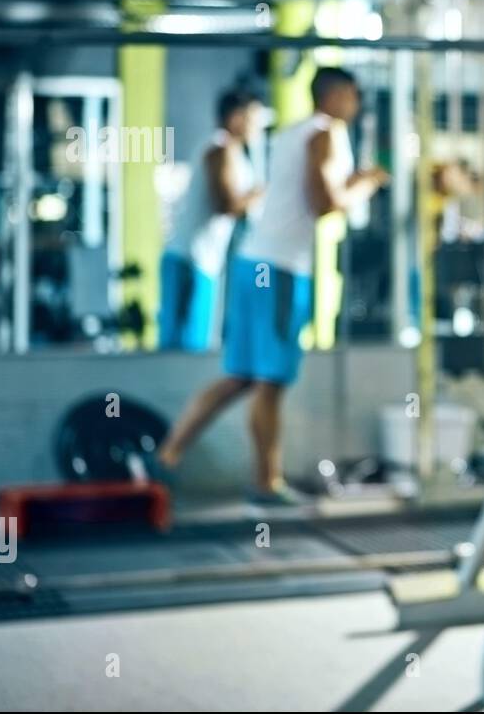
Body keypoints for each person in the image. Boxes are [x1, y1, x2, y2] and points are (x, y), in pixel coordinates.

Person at [157, 68, 388, 503]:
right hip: (280, 268)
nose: (355, 107)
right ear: (336, 96)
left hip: (253, 262)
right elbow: (324, 204)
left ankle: (168, 454)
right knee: (271, 381)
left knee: (242, 375)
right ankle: (266, 483)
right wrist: (367, 184)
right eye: (353, 97)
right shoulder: (325, 132)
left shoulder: (290, 133)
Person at [158, 88, 264, 351]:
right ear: (236, 118)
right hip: (190, 259)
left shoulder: (235, 152)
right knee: (185, 349)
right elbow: (226, 204)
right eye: (253, 118)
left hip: (203, 260)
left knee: (197, 343)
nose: (257, 127)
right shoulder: (220, 149)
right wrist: (260, 194)